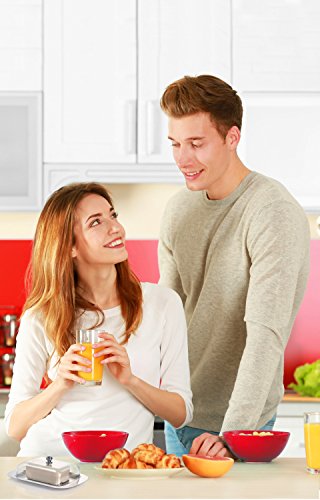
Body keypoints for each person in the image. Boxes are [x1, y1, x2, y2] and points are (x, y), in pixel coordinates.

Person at [158, 74, 310, 457]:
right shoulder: (178, 210)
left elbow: (266, 334)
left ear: (232, 137)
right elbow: (166, 315)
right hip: (181, 413)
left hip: (242, 423)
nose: (183, 158)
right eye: (175, 144)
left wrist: (233, 433)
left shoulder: (271, 211)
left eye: (196, 144)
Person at [5, 182, 193, 457]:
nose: (115, 228)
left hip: (124, 466)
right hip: (50, 463)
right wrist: (60, 384)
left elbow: (181, 413)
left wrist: (130, 379)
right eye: (96, 222)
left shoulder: (162, 304)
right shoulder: (42, 316)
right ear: (69, 247)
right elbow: (15, 426)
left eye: (113, 215)